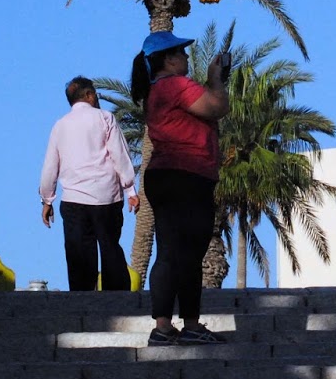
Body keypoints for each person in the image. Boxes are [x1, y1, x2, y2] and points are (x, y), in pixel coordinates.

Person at [130, 30, 231, 345]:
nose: (187, 58)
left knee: (177, 251)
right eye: (182, 53)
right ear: (169, 58)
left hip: (170, 175)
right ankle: (180, 325)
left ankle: (171, 325)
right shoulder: (174, 85)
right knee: (183, 252)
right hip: (185, 175)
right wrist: (216, 79)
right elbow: (215, 107)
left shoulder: (157, 89)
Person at [39, 76, 139, 292]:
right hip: (107, 198)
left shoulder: (60, 126)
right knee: (110, 247)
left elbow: (50, 166)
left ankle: (82, 300)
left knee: (79, 257)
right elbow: (119, 155)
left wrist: (47, 200)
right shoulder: (105, 118)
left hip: (74, 200)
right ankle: (118, 299)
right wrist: (130, 189)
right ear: (90, 95)